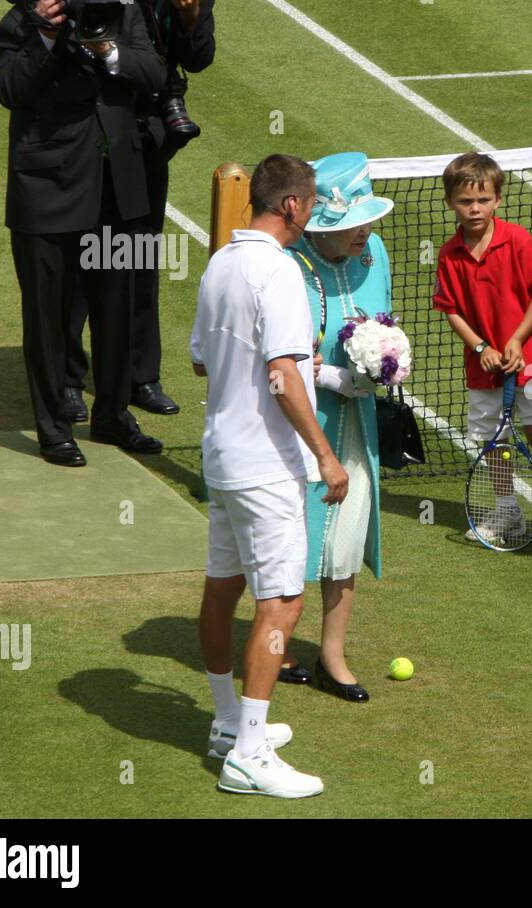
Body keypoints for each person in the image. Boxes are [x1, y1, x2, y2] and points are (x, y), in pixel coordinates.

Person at [189, 154, 349, 798]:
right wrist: (324, 454)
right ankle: (249, 754)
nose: (311, 214)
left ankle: (229, 722)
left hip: (223, 458)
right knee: (281, 599)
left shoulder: (222, 263)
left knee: (223, 584)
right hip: (265, 465)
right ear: (291, 206)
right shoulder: (278, 272)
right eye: (309, 204)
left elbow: (205, 363)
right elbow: (281, 375)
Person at [0, 0, 166, 466]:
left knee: (117, 312)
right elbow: (11, 90)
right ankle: (53, 430)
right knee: (47, 319)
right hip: (49, 195)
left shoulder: (122, 13)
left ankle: (113, 416)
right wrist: (45, 39)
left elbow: (154, 72)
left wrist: (109, 51)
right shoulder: (19, 25)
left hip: (119, 192)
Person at [63, 0, 219, 422]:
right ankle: (69, 380)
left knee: (138, 255)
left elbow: (200, 56)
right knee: (80, 253)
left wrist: (190, 18)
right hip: (91, 123)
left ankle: (140, 376)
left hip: (147, 130)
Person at [280, 151, 393, 702]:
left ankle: (332, 656)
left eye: (367, 221)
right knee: (286, 539)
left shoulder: (376, 253)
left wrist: (382, 365)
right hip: (296, 426)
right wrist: (331, 379)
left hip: (356, 425)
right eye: (351, 225)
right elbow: (282, 358)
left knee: (345, 540)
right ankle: (274, 643)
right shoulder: (288, 265)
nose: (364, 232)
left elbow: (383, 326)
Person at [432, 152, 532, 549]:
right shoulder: (448, 254)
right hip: (485, 365)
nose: (474, 208)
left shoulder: (518, 239)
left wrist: (515, 340)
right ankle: (507, 508)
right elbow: (452, 310)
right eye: (465, 201)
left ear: (498, 200)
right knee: (495, 440)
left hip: (528, 359)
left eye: (483, 200)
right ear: (450, 202)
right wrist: (480, 346)